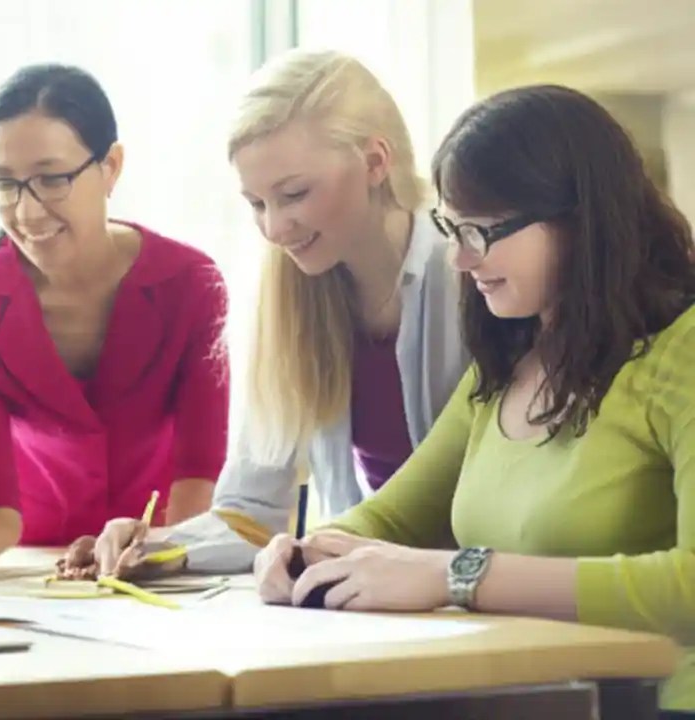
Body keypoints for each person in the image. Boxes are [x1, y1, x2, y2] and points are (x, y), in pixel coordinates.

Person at [254, 85, 695, 715]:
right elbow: (389, 520)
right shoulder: (510, 361)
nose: (459, 258)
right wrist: (307, 552)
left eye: (482, 231)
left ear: (579, 218)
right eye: (451, 228)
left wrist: (456, 575)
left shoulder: (683, 351)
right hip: (530, 696)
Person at [74, 49, 469, 579]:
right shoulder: (288, 296)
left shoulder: (473, 276)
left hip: (468, 585)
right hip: (373, 590)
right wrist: (158, 548)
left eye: (294, 194)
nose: (275, 229)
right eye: (257, 204)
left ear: (376, 162)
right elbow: (252, 514)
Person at [0, 63, 231, 573]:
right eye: (5, 183)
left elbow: (199, 477)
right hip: (37, 571)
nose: (27, 213)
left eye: (52, 180)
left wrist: (160, 552)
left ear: (110, 167)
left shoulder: (191, 284)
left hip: (161, 556)